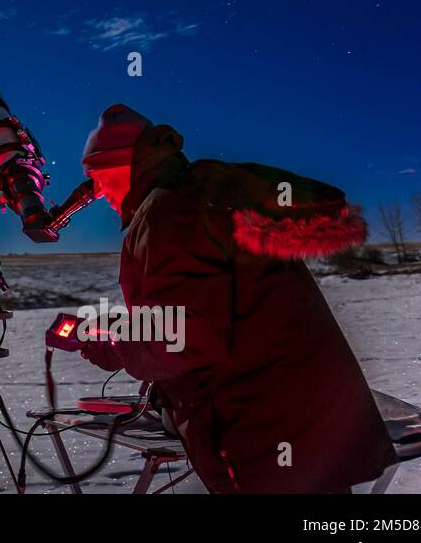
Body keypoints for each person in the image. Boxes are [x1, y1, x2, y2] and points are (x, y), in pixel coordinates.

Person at [76, 104, 396, 493]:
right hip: (309, 423)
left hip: (260, 432)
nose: (96, 191)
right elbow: (202, 311)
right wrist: (125, 331)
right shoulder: (202, 196)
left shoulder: (167, 211)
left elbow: (188, 338)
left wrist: (116, 345)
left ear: (123, 164)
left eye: (95, 176)